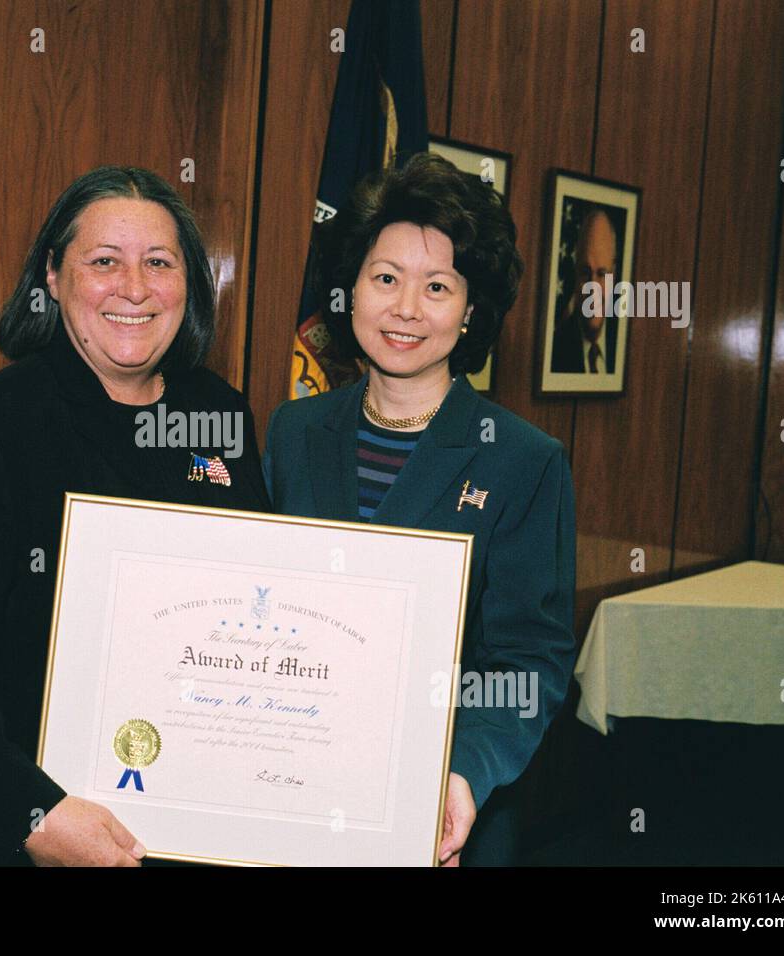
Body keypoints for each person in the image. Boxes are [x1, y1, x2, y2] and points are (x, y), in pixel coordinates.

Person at [0, 166, 270, 866]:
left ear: (190, 284)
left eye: (159, 263)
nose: (135, 289)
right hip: (15, 840)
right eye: (105, 262)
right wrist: (35, 815)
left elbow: (251, 620)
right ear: (53, 277)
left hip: (185, 836)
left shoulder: (220, 416)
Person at [263, 152, 577, 866]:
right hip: (293, 787)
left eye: (437, 286)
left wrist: (465, 771)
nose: (405, 309)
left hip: (443, 811)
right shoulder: (293, 430)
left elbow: (528, 660)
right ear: (351, 291)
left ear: (471, 312)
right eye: (385, 279)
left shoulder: (525, 463)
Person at [550, 205, 620, 373]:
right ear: (575, 275)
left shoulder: (623, 345)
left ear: (614, 275)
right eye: (585, 273)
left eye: (602, 274)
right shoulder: (555, 351)